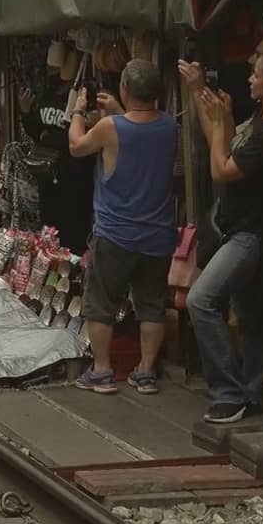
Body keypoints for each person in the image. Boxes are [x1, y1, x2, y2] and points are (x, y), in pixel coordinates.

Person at [181, 39, 263, 425]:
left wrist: (221, 121)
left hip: (252, 236)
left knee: (200, 300)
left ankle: (229, 392)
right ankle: (252, 394)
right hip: (236, 230)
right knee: (251, 317)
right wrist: (201, 97)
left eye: (256, 73)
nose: (249, 78)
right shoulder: (257, 120)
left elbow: (220, 168)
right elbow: (217, 143)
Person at [67, 59, 179, 395]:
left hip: (116, 232)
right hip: (158, 234)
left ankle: (102, 371)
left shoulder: (110, 128)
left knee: (100, 301)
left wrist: (76, 112)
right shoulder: (168, 126)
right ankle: (145, 372)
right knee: (151, 303)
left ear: (126, 89)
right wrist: (117, 110)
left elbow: (77, 146)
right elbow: (140, 128)